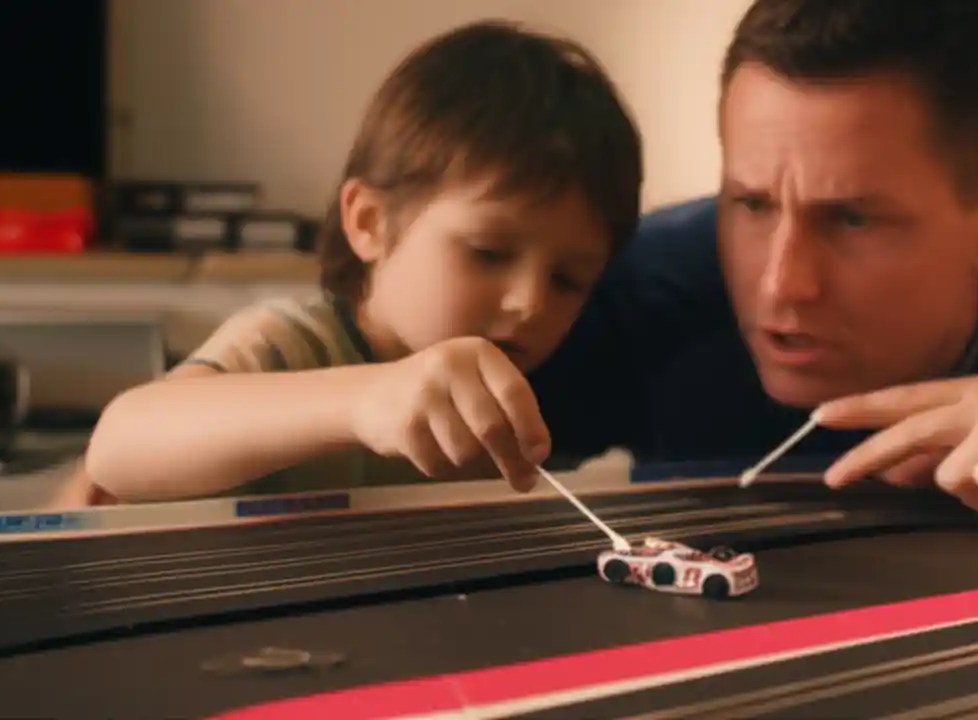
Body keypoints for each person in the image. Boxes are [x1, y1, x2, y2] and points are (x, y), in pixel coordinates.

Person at [527, 0, 978, 533]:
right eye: (752, 204)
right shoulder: (638, 284)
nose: (781, 284)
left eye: (851, 218)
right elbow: (444, 425)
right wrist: (418, 360)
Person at [68, 20, 642, 503]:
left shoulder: (524, 396)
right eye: (488, 252)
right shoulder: (292, 345)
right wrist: (366, 399)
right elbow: (120, 445)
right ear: (369, 222)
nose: (530, 302)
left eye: (568, 279)